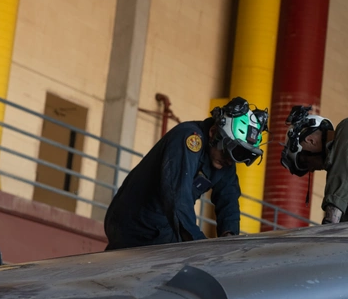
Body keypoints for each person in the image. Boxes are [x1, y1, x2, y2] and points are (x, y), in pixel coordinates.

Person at [104, 97, 268, 250]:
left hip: (164, 230)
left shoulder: (223, 157)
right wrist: (199, 244)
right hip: (135, 226)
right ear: (213, 133)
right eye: (229, 153)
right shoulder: (188, 138)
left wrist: (229, 236)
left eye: (237, 156)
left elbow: (229, 197)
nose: (230, 162)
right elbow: (177, 198)